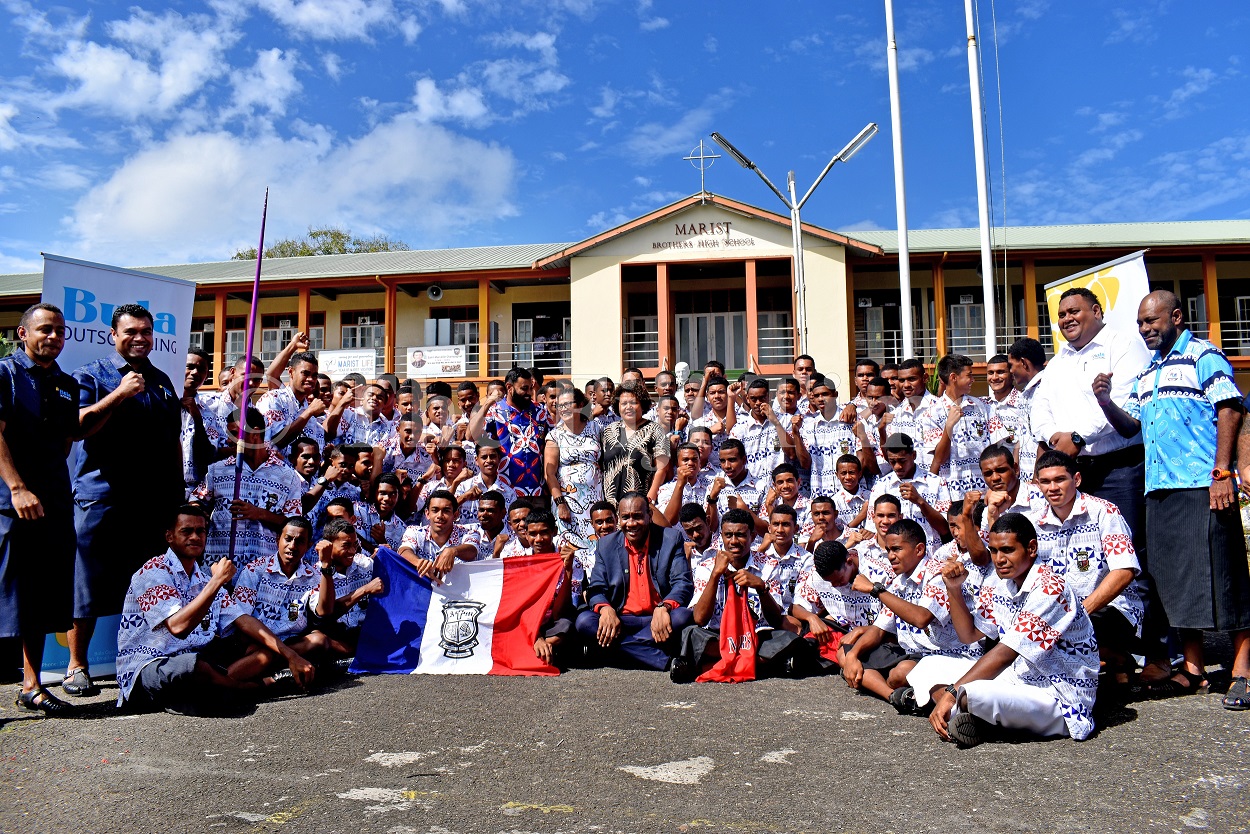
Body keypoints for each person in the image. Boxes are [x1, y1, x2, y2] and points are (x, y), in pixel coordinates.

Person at [1100, 290, 1250, 704]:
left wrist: (1222, 473)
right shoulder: (1148, 372)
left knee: (1225, 575)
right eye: (1141, 323)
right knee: (1174, 582)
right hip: (1159, 489)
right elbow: (1130, 427)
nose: (1146, 329)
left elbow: (1231, 409)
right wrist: (1104, 400)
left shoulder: (1204, 355)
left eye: (1152, 321)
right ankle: (1194, 669)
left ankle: (1242, 670)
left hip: (1203, 484)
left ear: (1177, 317)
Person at [68, 303, 183, 697]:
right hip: (101, 498)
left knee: (148, 583)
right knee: (87, 583)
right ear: (113, 335)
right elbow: (77, 427)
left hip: (151, 503)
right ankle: (76, 666)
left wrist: (177, 502)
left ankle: (144, 660)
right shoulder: (91, 375)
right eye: (131, 331)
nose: (139, 338)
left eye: (146, 332)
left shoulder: (163, 381)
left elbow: (172, 447)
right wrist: (119, 393)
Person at [115, 505, 315, 713]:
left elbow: (243, 619)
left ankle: (214, 688)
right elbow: (178, 627)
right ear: (169, 536)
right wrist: (217, 580)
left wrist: (290, 655)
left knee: (263, 651)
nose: (195, 537)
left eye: (200, 531)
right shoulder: (153, 572)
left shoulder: (202, 578)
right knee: (192, 666)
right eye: (186, 531)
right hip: (150, 666)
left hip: (197, 658)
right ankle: (252, 688)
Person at [923, 513, 1100, 747]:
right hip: (1019, 678)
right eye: (994, 551)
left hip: (1059, 694)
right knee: (928, 667)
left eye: (1007, 550)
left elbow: (1006, 652)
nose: (999, 559)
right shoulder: (1002, 584)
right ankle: (981, 719)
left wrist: (952, 693)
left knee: (967, 693)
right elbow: (970, 635)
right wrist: (954, 589)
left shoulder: (1051, 587)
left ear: (1031, 548)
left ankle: (980, 720)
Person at [1, 304, 80, 715]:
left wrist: (48, 486)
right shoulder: (5, 373)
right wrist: (17, 487)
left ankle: (31, 685)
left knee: (37, 597)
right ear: (22, 333)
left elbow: (67, 439)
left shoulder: (66, 384)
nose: (52, 337)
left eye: (59, 331)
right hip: (10, 504)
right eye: (44, 329)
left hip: (52, 503)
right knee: (7, 592)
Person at [838, 520, 982, 711]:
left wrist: (875, 589)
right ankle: (898, 696)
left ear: (919, 549)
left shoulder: (937, 575)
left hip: (952, 656)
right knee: (845, 653)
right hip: (914, 654)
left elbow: (921, 618)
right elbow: (880, 629)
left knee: (901, 672)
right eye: (888, 550)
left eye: (896, 549)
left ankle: (917, 697)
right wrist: (853, 655)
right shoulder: (900, 580)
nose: (891, 556)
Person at [1027, 450, 1144, 673]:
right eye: (1045, 481)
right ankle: (1107, 662)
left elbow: (1125, 570)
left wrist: (1079, 612)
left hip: (1108, 610)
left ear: (1077, 479)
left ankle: (1110, 658)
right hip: (1058, 612)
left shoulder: (1103, 511)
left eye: (1060, 479)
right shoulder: (1033, 522)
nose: (1052, 488)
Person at [673, 507, 807, 681]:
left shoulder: (769, 565)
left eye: (741, 535)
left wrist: (761, 587)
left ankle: (710, 665)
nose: (734, 541)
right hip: (719, 637)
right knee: (691, 633)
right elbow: (700, 619)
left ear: (752, 536)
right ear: (721, 536)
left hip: (756, 638)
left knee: (788, 638)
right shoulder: (706, 566)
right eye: (728, 535)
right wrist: (715, 576)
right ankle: (764, 665)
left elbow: (775, 620)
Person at [575, 493, 694, 671]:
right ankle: (663, 660)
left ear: (649, 516)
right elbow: (596, 587)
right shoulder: (606, 545)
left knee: (683, 616)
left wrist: (665, 606)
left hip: (657, 618)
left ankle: (608, 652)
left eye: (637, 516)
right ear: (619, 519)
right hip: (620, 620)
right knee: (584, 621)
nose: (631, 523)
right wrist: (605, 608)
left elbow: (683, 583)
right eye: (625, 517)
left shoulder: (670, 539)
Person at [191, 408, 305, 569]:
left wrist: (259, 514)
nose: (229, 440)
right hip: (219, 568)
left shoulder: (288, 476)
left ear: (254, 434)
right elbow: (196, 501)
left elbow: (293, 524)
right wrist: (199, 512)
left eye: (234, 433)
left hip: (261, 570)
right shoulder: (217, 470)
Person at [225, 517, 328, 680]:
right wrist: (289, 655)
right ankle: (228, 682)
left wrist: (326, 569)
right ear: (277, 539)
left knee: (319, 640)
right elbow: (241, 619)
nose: (292, 546)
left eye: (300, 541)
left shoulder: (314, 576)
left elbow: (324, 611)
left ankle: (263, 671)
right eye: (288, 539)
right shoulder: (255, 570)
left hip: (291, 643)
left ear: (308, 546)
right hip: (256, 642)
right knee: (262, 654)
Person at [791, 540, 879, 673]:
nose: (834, 586)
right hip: (841, 631)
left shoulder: (877, 574)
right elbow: (796, 607)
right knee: (798, 628)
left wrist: (861, 631)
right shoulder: (819, 574)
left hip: (874, 635)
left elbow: (892, 624)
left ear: (849, 562)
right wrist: (812, 618)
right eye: (829, 582)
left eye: (838, 580)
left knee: (846, 655)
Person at [307, 518, 382, 658]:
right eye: (346, 545)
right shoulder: (313, 575)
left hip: (363, 634)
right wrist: (364, 590)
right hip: (337, 640)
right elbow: (326, 615)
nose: (352, 551)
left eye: (355, 544)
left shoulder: (365, 565)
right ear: (329, 545)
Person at [471, 367, 550, 497]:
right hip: (506, 492)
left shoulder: (541, 411)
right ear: (509, 387)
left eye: (531, 388)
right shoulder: (495, 411)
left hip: (538, 491)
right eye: (524, 389)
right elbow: (471, 435)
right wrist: (489, 402)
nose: (529, 393)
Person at [921, 353, 991, 495]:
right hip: (950, 493)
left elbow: (995, 447)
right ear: (953, 377)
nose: (973, 379)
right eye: (969, 375)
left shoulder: (982, 406)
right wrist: (949, 427)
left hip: (983, 490)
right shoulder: (931, 414)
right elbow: (939, 458)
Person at [866, 433, 951, 549]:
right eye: (893, 462)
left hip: (930, 556)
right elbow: (872, 529)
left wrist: (920, 501)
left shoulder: (936, 483)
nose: (897, 467)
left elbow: (945, 529)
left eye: (902, 461)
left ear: (914, 455)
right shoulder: (881, 486)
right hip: (894, 559)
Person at [545, 385, 603, 544]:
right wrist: (560, 503)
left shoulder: (596, 428)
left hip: (595, 497)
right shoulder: (554, 435)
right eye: (560, 405)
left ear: (579, 406)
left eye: (567, 404)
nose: (563, 409)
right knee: (571, 545)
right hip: (568, 502)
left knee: (597, 541)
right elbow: (549, 474)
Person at [601, 380, 671, 505]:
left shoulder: (655, 430)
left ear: (642, 404)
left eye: (633, 402)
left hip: (640, 504)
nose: (628, 407)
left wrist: (650, 499)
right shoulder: (608, 431)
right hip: (610, 504)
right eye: (624, 403)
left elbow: (662, 468)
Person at [258, 351, 337, 455]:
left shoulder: (310, 411)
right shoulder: (273, 399)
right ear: (291, 372)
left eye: (314, 376)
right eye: (305, 373)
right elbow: (277, 440)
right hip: (273, 469)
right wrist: (309, 412)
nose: (311, 379)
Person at [800, 376, 862, 499]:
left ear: (835, 394)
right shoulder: (808, 426)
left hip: (851, 495)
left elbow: (861, 457)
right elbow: (805, 463)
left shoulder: (852, 419)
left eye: (825, 394)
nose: (821, 399)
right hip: (821, 494)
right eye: (817, 396)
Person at [397, 491, 480, 580]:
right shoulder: (414, 531)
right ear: (427, 514)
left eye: (446, 511)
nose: (440, 516)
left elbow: (472, 551)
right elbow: (403, 550)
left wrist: (453, 551)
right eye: (435, 510)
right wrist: (419, 563)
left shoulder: (469, 532)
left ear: (455, 515)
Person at [731, 377, 800, 483]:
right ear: (747, 399)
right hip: (751, 487)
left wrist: (776, 423)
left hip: (779, 488)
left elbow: (792, 454)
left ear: (770, 397)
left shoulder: (786, 420)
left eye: (762, 398)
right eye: (753, 399)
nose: (758, 403)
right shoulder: (739, 428)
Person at [180, 347, 227, 495]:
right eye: (190, 367)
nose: (195, 372)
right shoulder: (161, 400)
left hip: (195, 493)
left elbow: (208, 455)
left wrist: (197, 417)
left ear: (206, 376)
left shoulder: (210, 410)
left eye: (201, 369)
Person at [879, 358, 938, 467]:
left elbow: (944, 454)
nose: (906, 385)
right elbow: (890, 456)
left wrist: (930, 480)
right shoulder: (896, 414)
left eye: (912, 379)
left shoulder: (941, 409)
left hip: (937, 480)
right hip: (906, 481)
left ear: (925, 378)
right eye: (901, 380)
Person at [1007, 337, 1047, 480]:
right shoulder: (1027, 393)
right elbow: (1022, 436)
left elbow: (1044, 440)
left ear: (1023, 363)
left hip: (1041, 479)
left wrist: (1037, 479)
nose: (1010, 371)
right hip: (1026, 478)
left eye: (1011, 365)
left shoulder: (1044, 390)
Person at [455, 439, 517, 527]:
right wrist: (464, 498)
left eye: (492, 456)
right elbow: (448, 510)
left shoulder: (509, 493)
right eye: (484, 457)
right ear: (476, 460)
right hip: (466, 538)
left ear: (499, 458)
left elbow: (512, 523)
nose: (489, 461)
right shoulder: (464, 487)